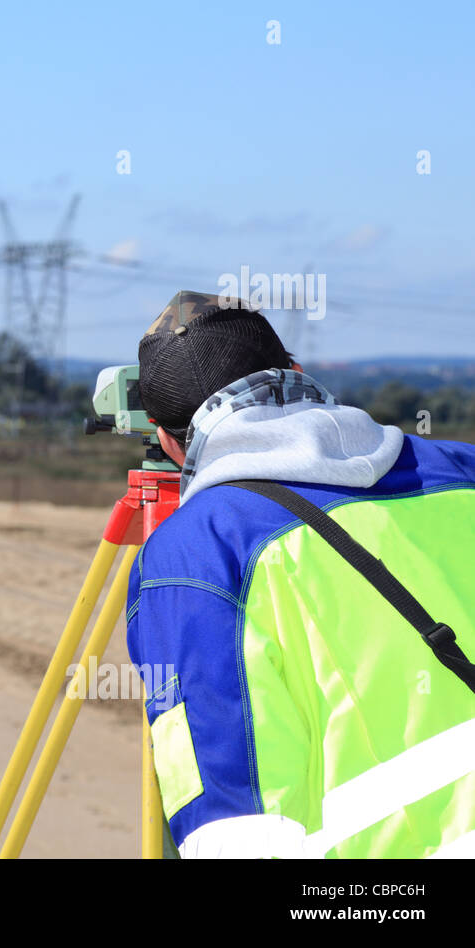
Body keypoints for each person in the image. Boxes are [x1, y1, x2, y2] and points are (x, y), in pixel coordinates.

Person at [127, 290, 475, 858]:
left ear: (166, 439)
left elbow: (232, 830)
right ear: (298, 375)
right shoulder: (463, 471)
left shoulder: (199, 552)